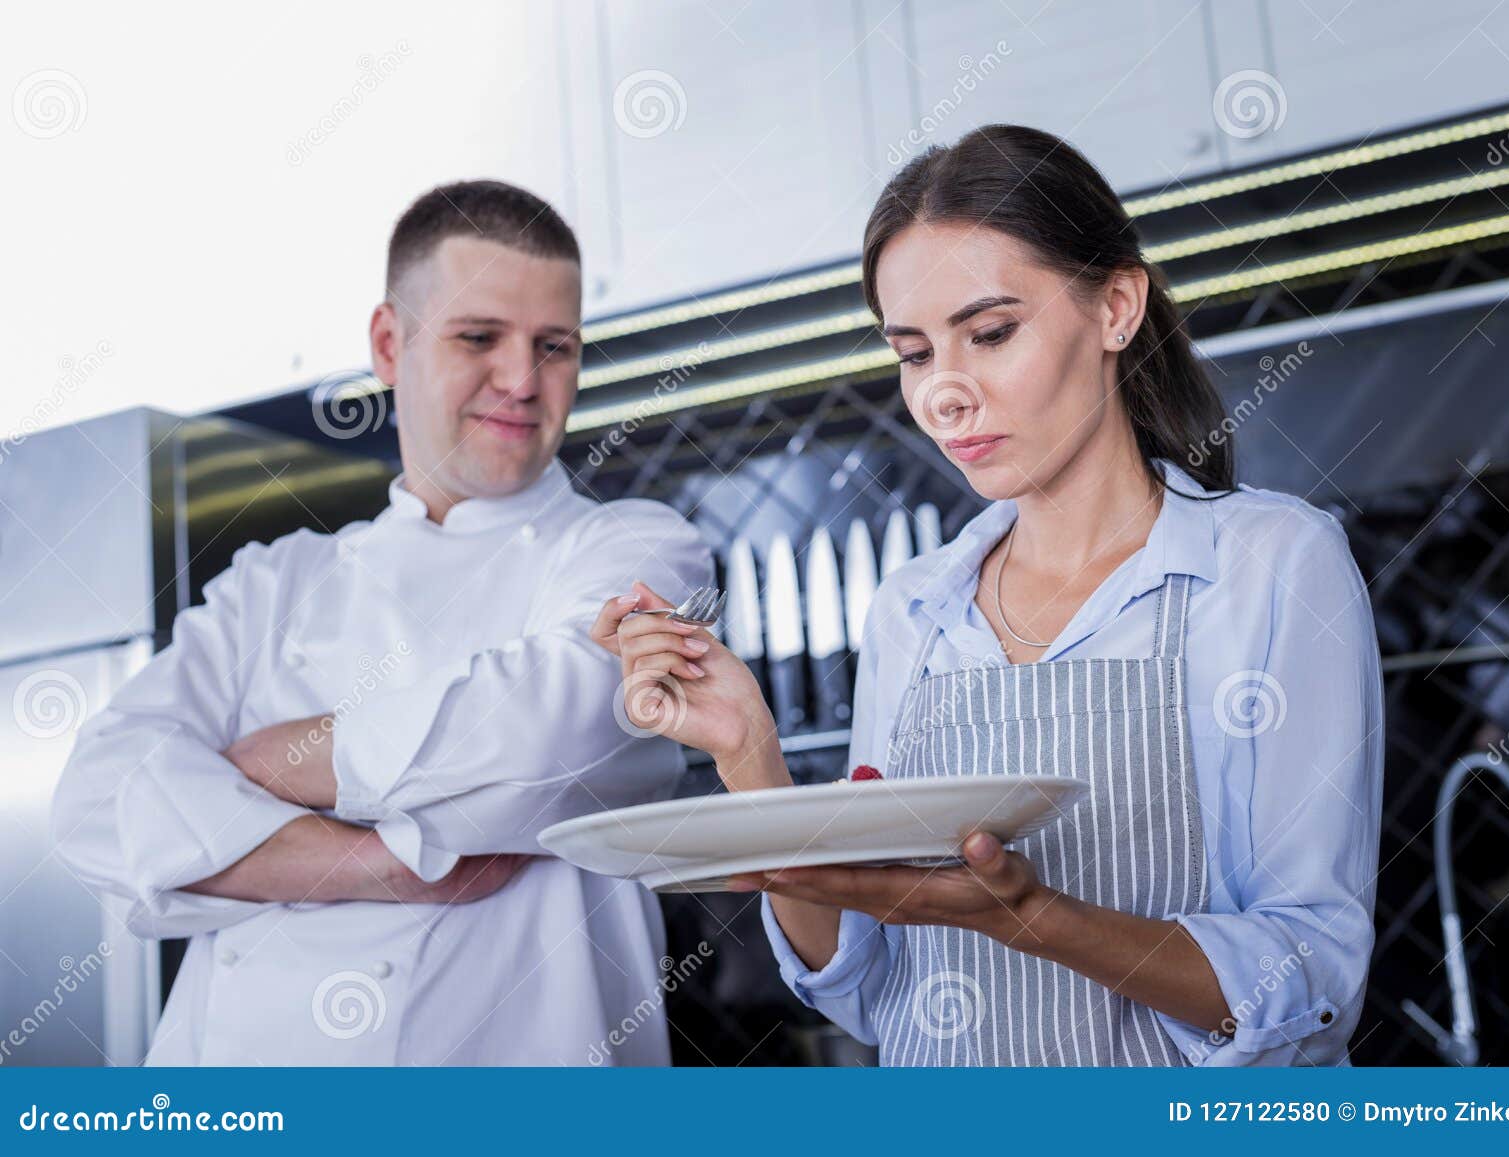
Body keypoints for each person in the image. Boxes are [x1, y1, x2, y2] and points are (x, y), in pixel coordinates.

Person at [592, 125, 1383, 1066]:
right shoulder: (913, 610)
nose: (944, 395)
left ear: (1117, 306)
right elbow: (871, 993)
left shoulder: (1269, 563)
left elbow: (1315, 978)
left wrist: (1039, 917)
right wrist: (749, 753)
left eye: (992, 333)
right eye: (916, 353)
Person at [52, 180, 712, 1065]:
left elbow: (547, 735)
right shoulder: (273, 581)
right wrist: (389, 868)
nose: (521, 380)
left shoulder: (635, 547)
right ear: (389, 345)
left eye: (553, 346)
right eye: (479, 337)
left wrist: (259, 767)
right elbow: (98, 801)